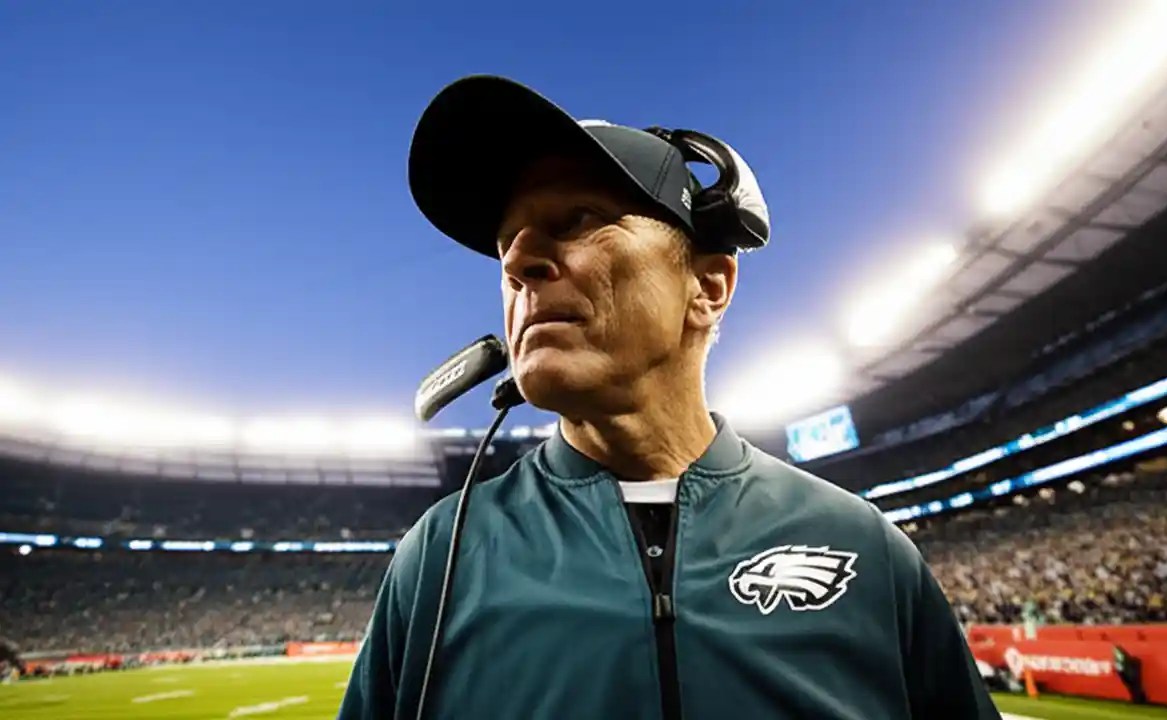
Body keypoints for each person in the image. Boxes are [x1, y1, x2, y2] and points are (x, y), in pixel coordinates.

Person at [338, 74, 999, 720]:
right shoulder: (440, 554)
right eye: (507, 245)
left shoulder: (864, 547)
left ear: (708, 287)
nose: (518, 264)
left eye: (577, 220)